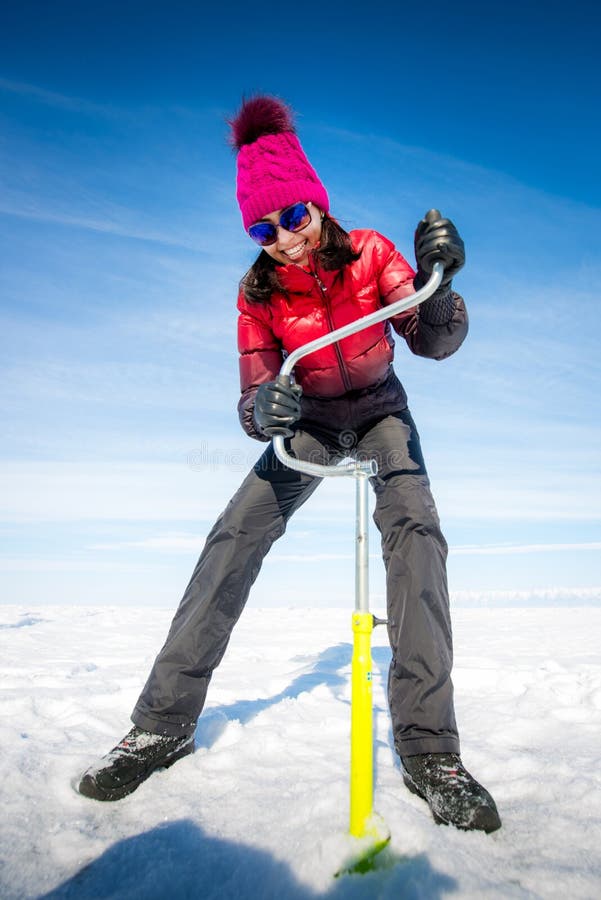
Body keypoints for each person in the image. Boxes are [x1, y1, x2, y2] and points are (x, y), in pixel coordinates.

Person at [77, 95, 501, 834]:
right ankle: (161, 725)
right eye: (262, 228)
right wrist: (262, 413)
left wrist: (442, 282)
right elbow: (254, 394)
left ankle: (431, 752)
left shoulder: (370, 252)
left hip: (378, 415)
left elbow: (430, 342)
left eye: (293, 218)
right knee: (232, 537)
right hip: (306, 425)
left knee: (416, 538)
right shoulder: (256, 291)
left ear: (317, 204)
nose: (283, 239)